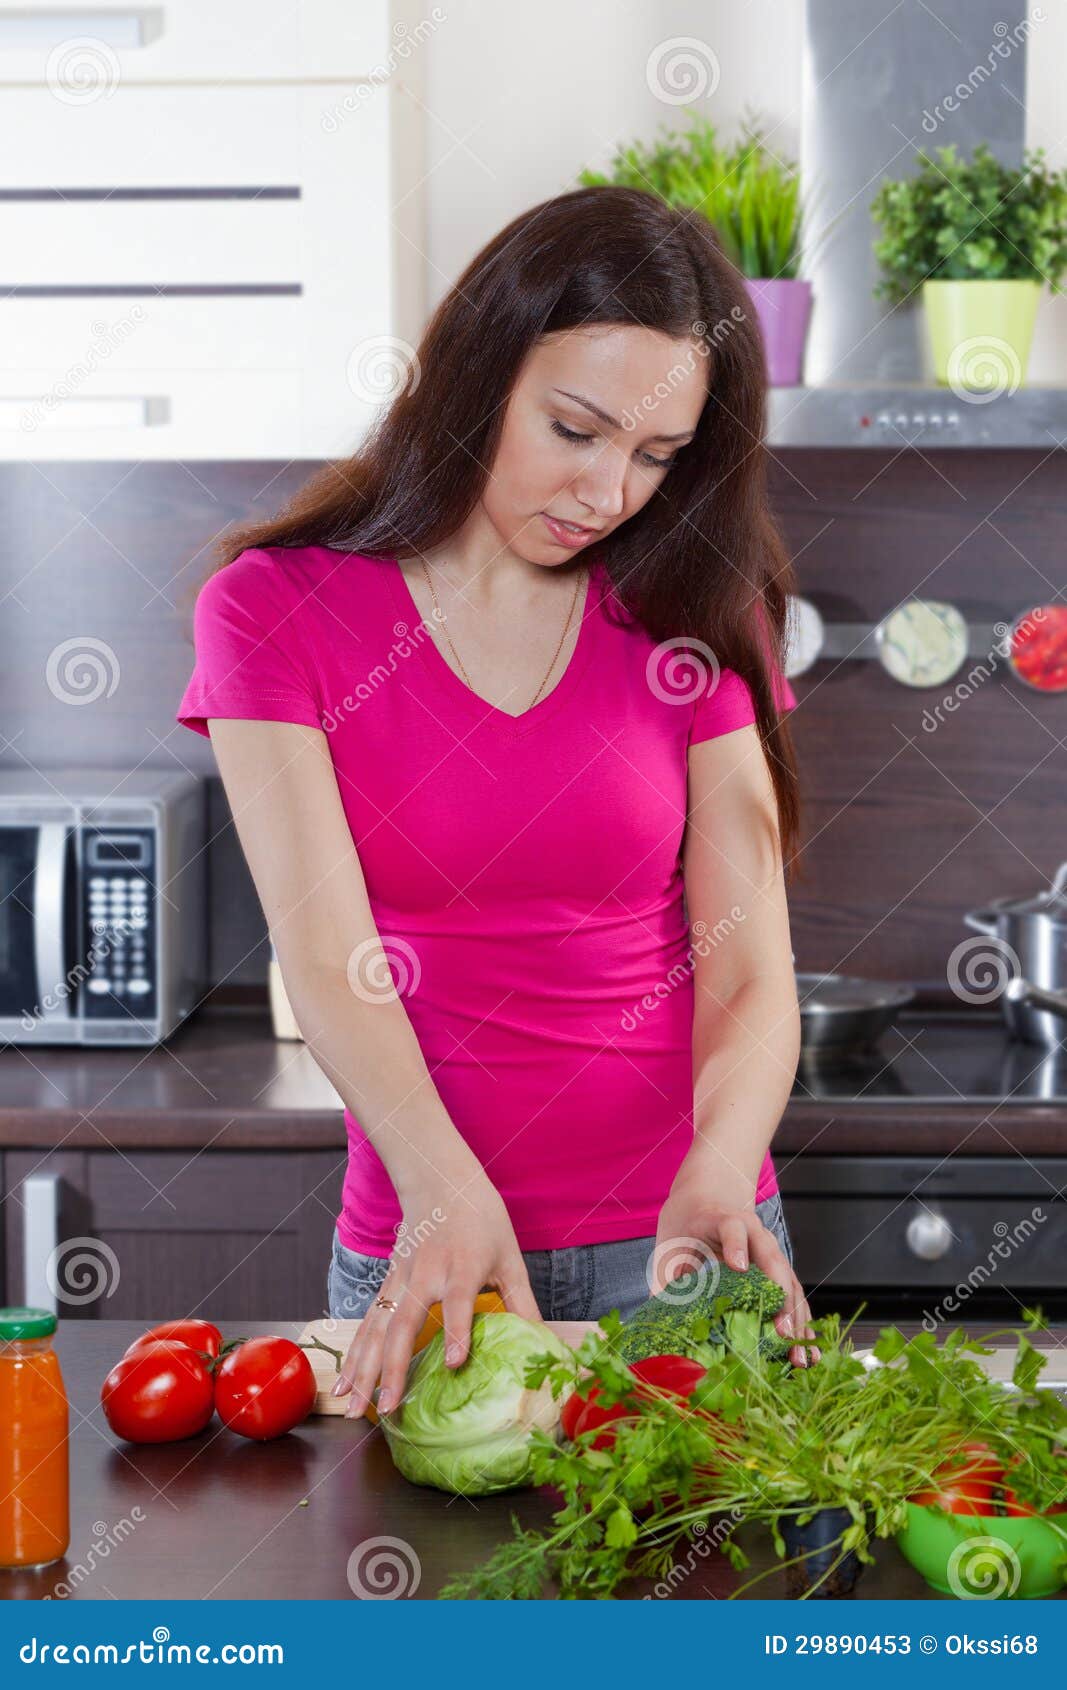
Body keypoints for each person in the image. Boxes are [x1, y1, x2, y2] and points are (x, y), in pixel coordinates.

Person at [175, 184, 817, 1425]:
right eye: (574, 429)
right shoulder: (275, 612)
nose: (608, 492)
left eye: (654, 455)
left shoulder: (694, 614)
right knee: (434, 1607)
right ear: (475, 371)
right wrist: (441, 1189)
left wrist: (724, 1166)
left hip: (690, 1241)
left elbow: (746, 973)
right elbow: (325, 952)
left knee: (707, 1616)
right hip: (432, 1238)